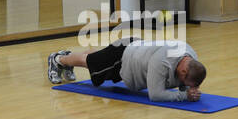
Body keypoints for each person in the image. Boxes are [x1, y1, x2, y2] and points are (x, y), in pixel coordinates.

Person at [48, 38, 206, 102]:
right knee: (90, 62)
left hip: (137, 49)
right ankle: (58, 59)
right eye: (185, 82)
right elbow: (155, 94)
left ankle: (69, 59)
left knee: (96, 59)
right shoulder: (163, 61)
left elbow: (185, 83)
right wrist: (184, 96)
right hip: (123, 56)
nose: (185, 85)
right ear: (184, 71)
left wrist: (189, 89)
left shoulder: (191, 56)